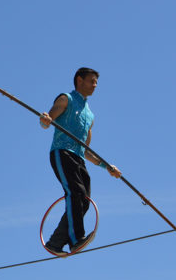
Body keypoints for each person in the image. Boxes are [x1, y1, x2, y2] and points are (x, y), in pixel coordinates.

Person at [40, 67, 121, 257]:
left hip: (78, 158)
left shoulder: (90, 116)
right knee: (75, 193)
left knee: (83, 200)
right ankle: (76, 239)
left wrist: (107, 167)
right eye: (91, 81)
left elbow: (86, 150)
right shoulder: (65, 99)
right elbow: (47, 121)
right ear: (79, 80)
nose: (95, 86)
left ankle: (55, 242)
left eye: (96, 82)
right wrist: (45, 119)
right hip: (62, 153)